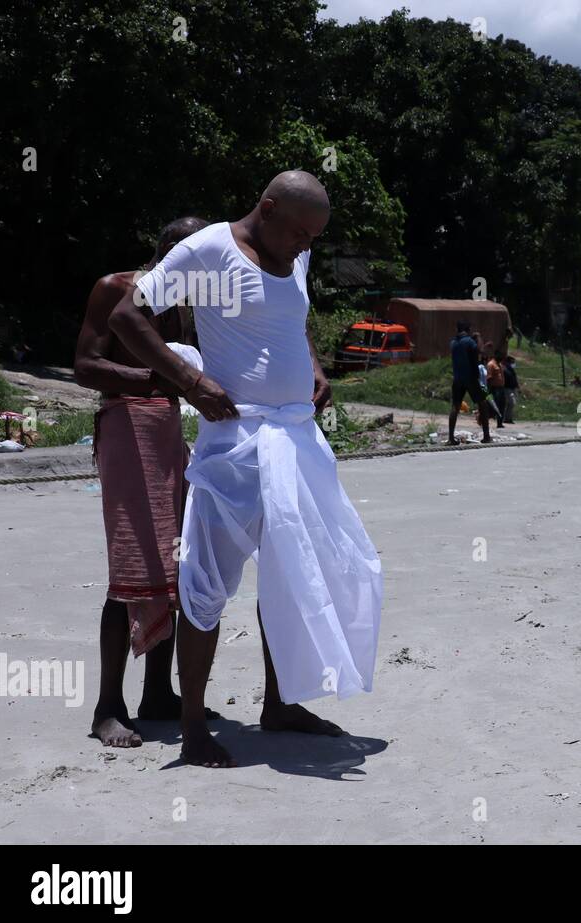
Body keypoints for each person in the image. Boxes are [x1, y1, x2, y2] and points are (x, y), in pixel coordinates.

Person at [107, 170, 383, 767]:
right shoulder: (207, 249)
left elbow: (291, 320)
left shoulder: (296, 255)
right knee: (205, 584)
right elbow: (127, 317)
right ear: (267, 208)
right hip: (235, 445)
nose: (306, 245)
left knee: (296, 569)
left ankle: (279, 703)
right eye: (301, 232)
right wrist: (189, 380)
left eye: (315, 236)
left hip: (298, 441)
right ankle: (192, 725)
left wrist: (312, 365)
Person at [74, 216, 208, 748]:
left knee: (172, 564)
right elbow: (85, 365)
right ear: (164, 251)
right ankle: (108, 706)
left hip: (168, 429)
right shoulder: (116, 289)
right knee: (131, 565)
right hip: (126, 425)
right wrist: (158, 377)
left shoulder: (186, 307)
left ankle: (158, 694)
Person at [448, 322, 491, 444]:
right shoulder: (469, 341)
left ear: (457, 329)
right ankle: (486, 436)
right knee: (482, 404)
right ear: (468, 330)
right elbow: (481, 351)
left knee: (455, 406)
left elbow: (465, 350)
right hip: (471, 378)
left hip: (457, 379)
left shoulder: (453, 343)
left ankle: (451, 438)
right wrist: (479, 338)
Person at [486, 345, 508, 429]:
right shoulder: (491, 364)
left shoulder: (500, 365)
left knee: (502, 405)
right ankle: (485, 421)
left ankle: (499, 422)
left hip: (501, 388)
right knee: (493, 406)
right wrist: (488, 390)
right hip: (494, 389)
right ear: (496, 355)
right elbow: (489, 378)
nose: (502, 357)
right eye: (500, 356)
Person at [503, 354, 519, 423]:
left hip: (512, 388)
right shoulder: (505, 369)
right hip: (507, 388)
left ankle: (508, 418)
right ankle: (506, 418)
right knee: (510, 403)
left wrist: (517, 386)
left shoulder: (511, 370)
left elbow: (514, 379)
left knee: (512, 404)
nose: (513, 364)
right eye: (512, 362)